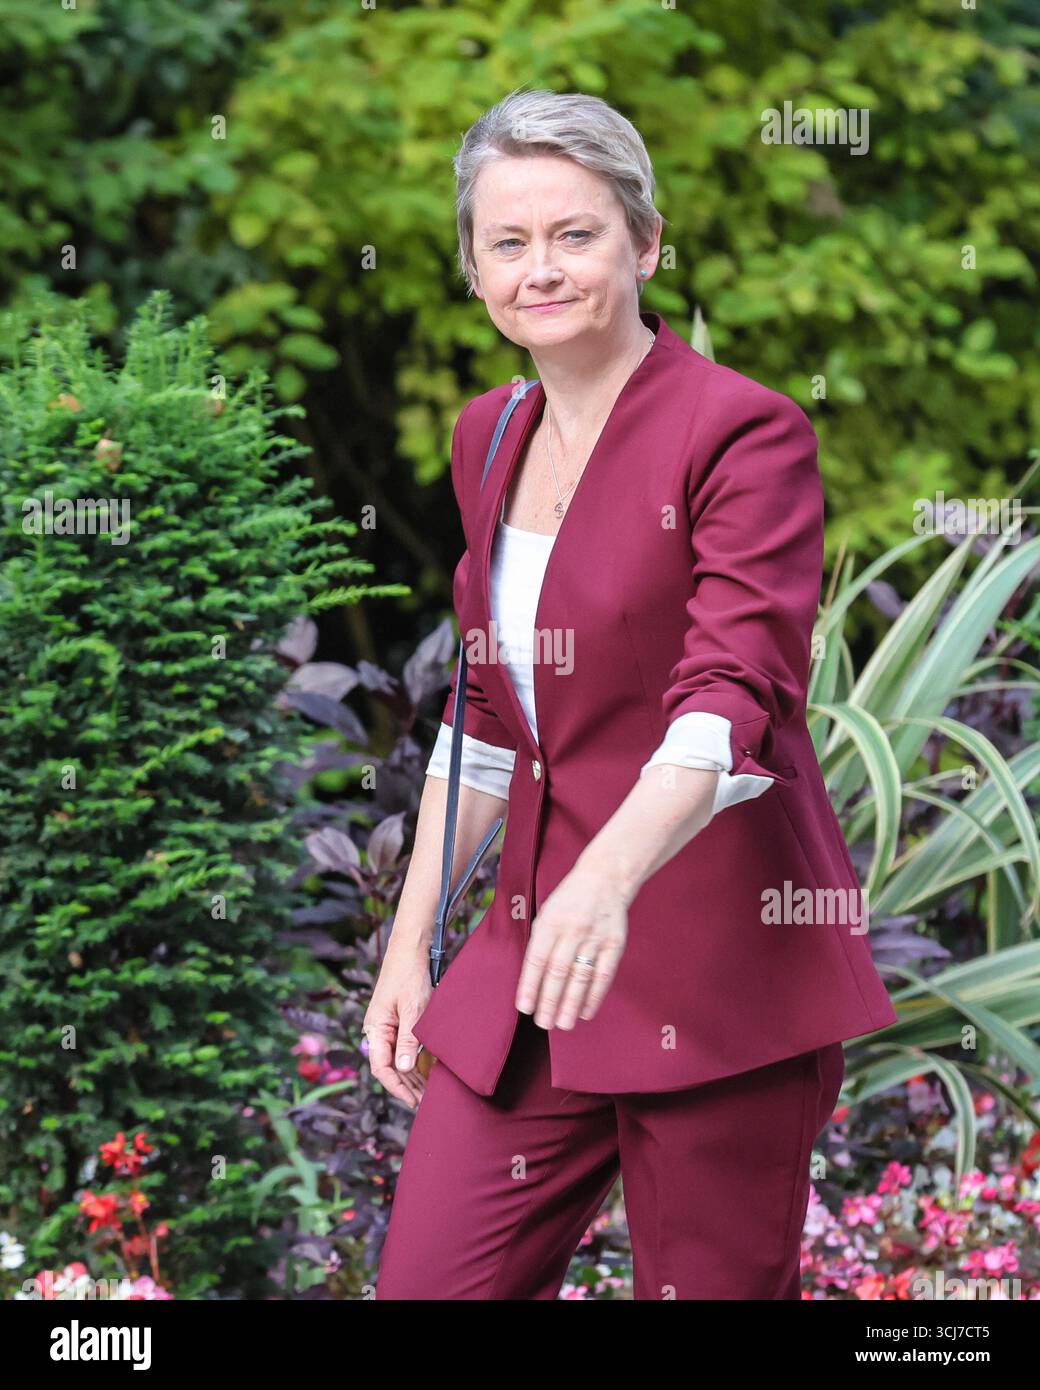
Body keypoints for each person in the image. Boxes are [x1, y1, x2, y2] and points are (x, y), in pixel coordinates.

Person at [366, 87, 897, 1300]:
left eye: (575, 234)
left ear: (644, 245)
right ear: (473, 270)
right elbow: (492, 718)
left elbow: (731, 699)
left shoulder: (740, 432)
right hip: (526, 975)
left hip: (713, 974)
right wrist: (411, 946)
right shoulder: (485, 437)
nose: (538, 269)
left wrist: (604, 882)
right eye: (507, 243)